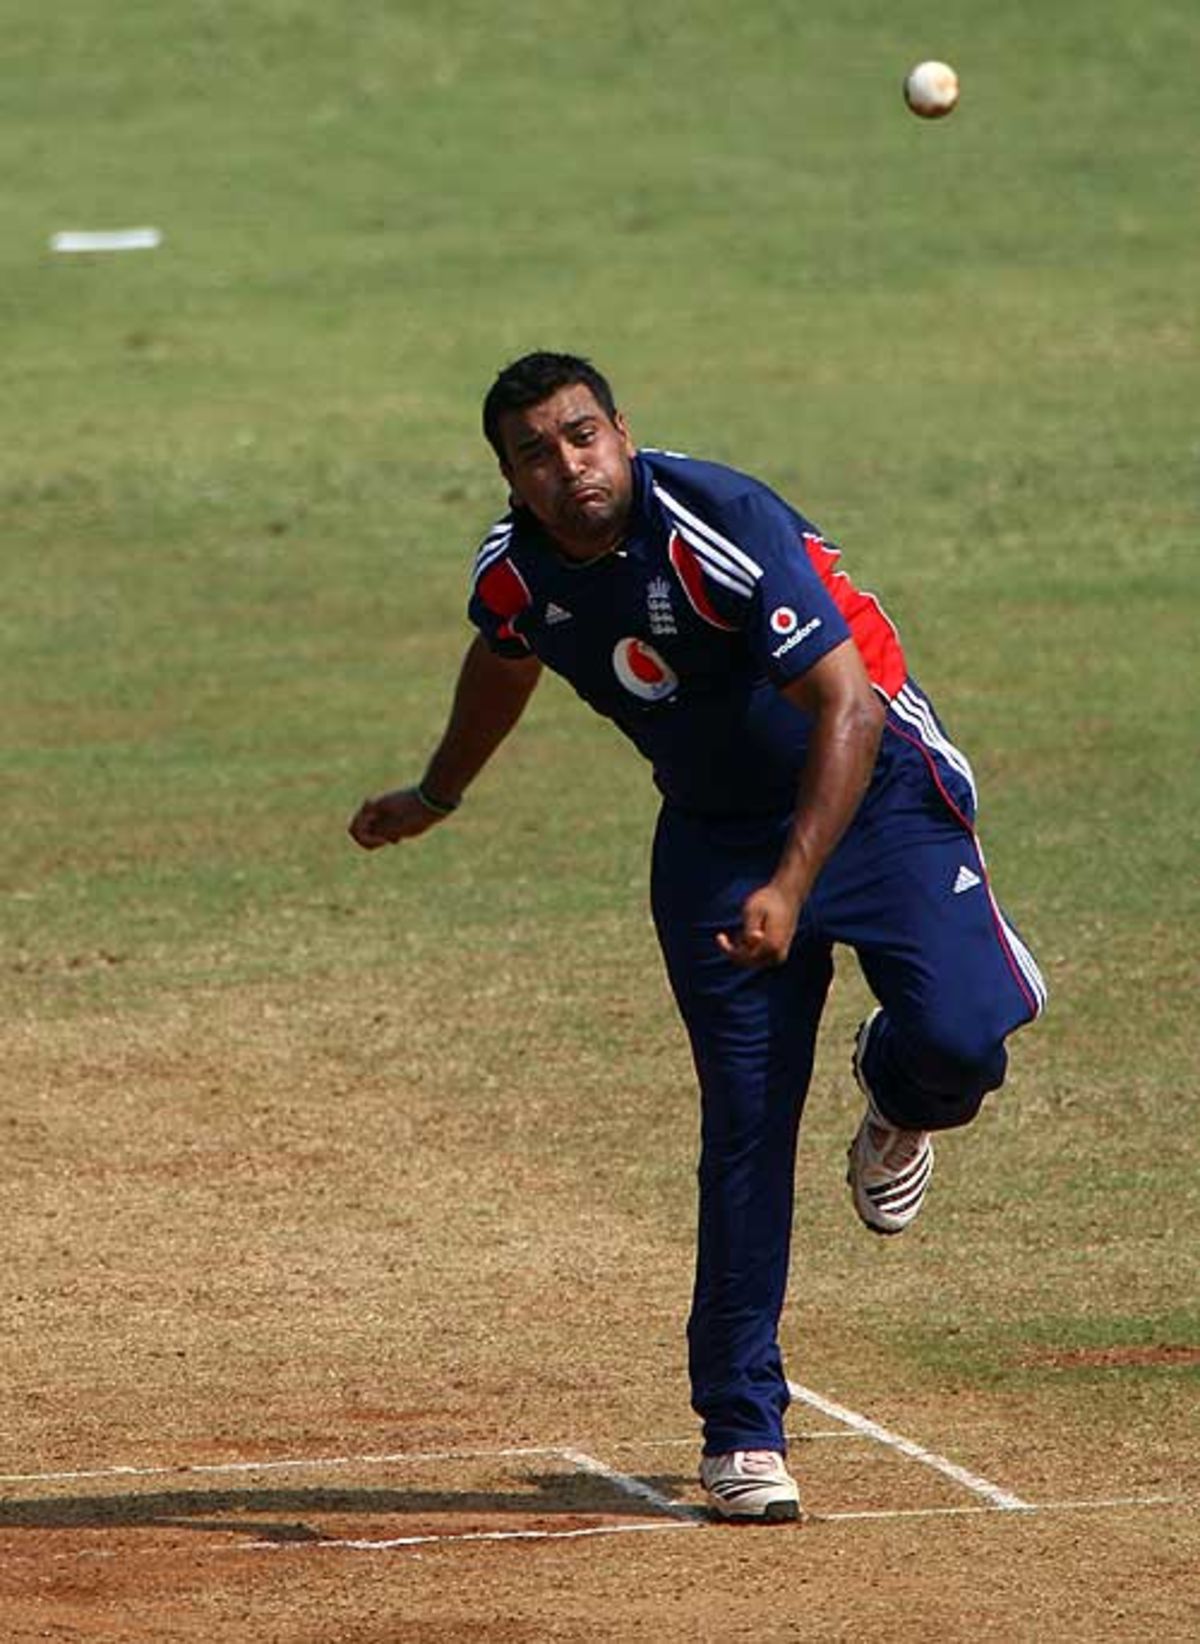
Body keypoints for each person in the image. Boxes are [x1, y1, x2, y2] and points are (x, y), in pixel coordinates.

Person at [349, 351, 1045, 1524]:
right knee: (745, 1127)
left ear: (622, 432)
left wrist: (791, 884)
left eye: (582, 438)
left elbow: (849, 706)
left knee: (967, 1038)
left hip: (876, 801)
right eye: (535, 453)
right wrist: (438, 793)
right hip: (717, 843)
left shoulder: (717, 522)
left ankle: (897, 1093)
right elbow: (501, 656)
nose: (567, 468)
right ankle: (742, 1429)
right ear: (509, 477)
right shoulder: (517, 570)